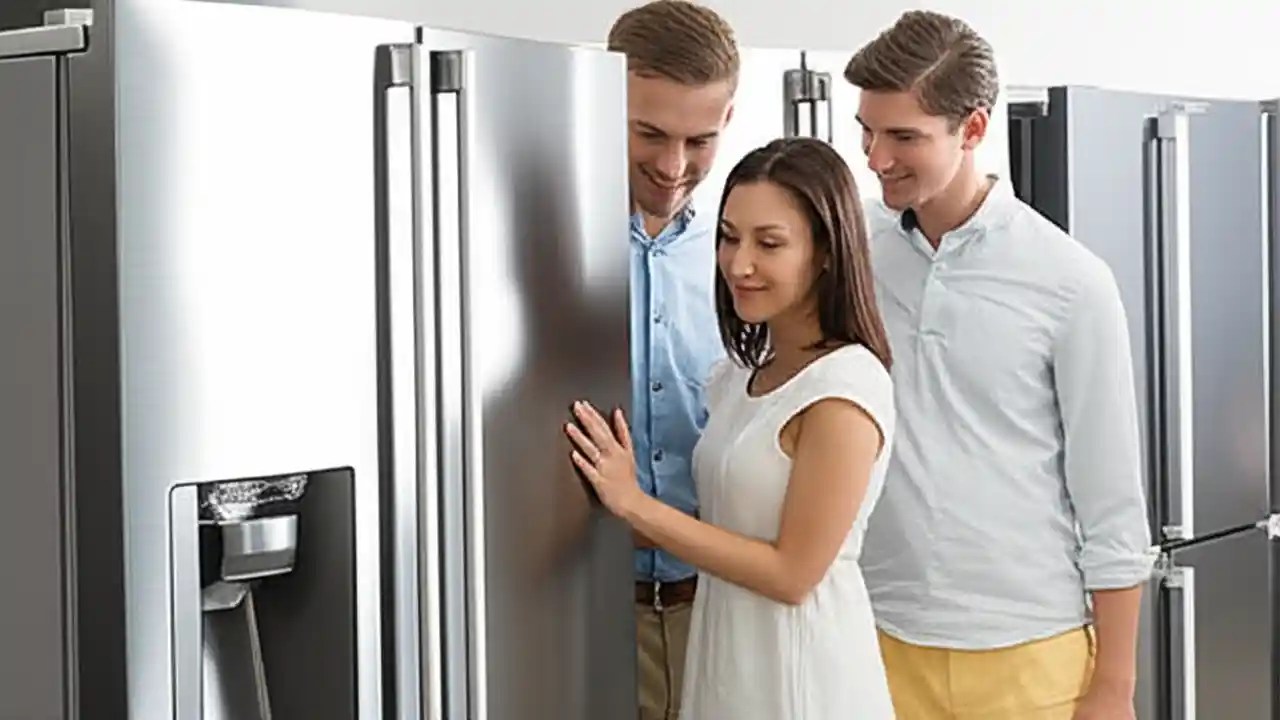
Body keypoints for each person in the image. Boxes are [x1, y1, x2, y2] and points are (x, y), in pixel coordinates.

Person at [845, 10, 1156, 720]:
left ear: (974, 128)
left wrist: (1114, 686)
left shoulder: (1069, 281)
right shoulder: (852, 249)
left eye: (904, 137)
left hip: (1032, 656)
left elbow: (1111, 502)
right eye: (867, 130)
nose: (877, 157)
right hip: (875, 640)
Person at [565, 137, 898, 720]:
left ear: (826, 251)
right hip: (727, 662)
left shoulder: (845, 387)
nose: (739, 264)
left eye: (769, 243)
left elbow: (793, 574)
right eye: (728, 237)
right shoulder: (737, 378)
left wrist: (634, 503)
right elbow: (720, 525)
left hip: (801, 677)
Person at [604, 3, 739, 719]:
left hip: (716, 609)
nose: (672, 165)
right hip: (578, 608)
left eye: (699, 140)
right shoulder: (527, 231)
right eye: (649, 133)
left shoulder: (745, 254)